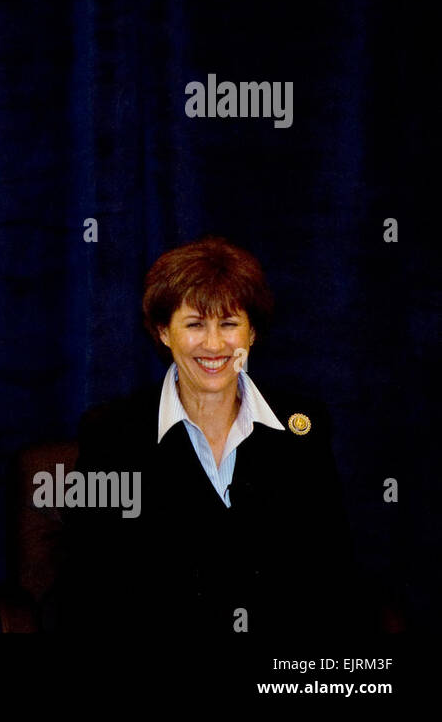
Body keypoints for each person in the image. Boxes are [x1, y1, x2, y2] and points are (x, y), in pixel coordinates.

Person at [59, 237, 357, 634]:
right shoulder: (111, 434)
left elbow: (331, 574)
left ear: (252, 334)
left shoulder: (301, 427)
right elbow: (88, 586)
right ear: (164, 332)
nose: (215, 345)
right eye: (195, 324)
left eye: (230, 324)